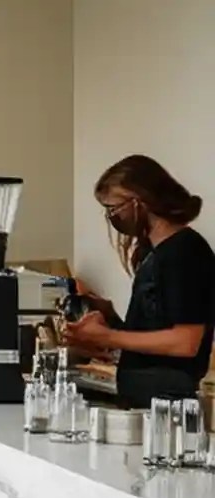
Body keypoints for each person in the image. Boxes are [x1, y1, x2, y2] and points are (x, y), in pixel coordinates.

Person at [64, 154, 215, 408]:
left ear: (140, 202)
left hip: (168, 404)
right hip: (145, 399)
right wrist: (110, 320)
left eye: (114, 208)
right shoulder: (156, 254)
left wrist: (108, 336)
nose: (112, 217)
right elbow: (155, 336)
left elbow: (185, 342)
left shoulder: (184, 253)